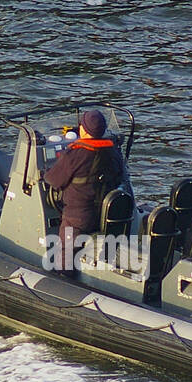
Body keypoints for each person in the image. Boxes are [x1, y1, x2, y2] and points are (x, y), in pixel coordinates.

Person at [42, 109, 124, 276]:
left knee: (65, 255)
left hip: (78, 217)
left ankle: (65, 283)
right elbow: (119, 176)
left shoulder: (75, 154)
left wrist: (45, 172)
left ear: (83, 130)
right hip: (105, 212)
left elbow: (52, 179)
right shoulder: (113, 152)